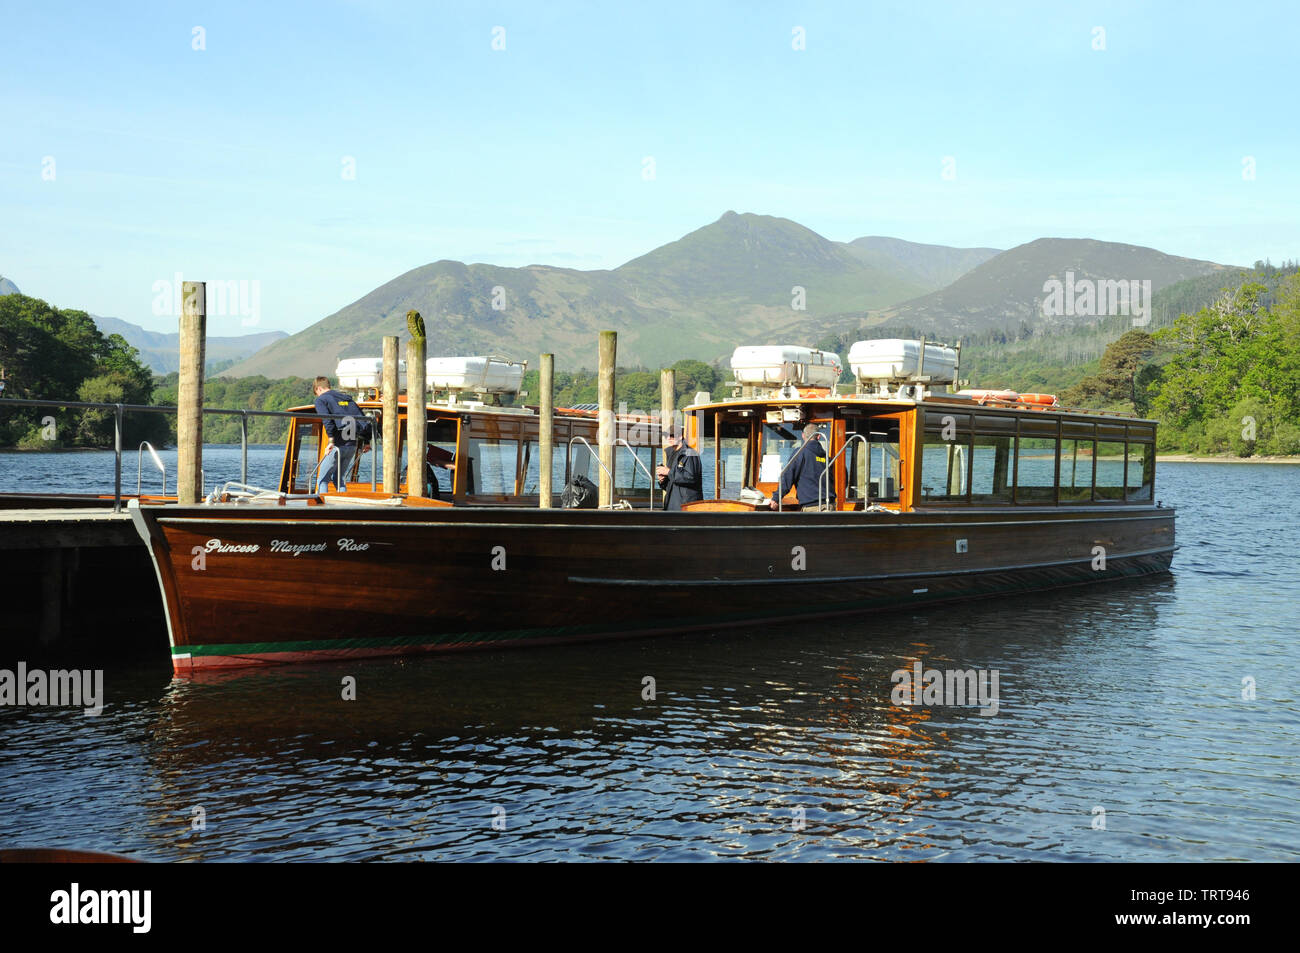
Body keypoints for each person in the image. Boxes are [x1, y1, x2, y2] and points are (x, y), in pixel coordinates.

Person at [312, 377, 369, 493]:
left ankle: (322, 508)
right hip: (351, 445)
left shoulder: (321, 400)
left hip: (337, 445)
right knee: (339, 479)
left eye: (316, 393)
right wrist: (367, 441)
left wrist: (331, 442)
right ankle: (343, 506)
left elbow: (327, 421)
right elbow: (364, 420)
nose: (317, 396)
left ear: (318, 388)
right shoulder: (347, 399)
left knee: (322, 480)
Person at [769, 423, 834, 510]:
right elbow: (840, 476)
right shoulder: (827, 457)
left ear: (803, 435)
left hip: (811, 507)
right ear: (819, 437)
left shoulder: (800, 453)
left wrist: (776, 498)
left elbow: (788, 476)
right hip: (830, 505)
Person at [657, 427, 702, 511]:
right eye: (666, 436)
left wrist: (669, 472)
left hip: (687, 506)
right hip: (672, 505)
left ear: (680, 437)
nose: (669, 438)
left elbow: (691, 478)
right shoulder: (670, 453)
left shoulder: (690, 453)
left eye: (672, 436)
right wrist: (663, 481)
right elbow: (672, 484)